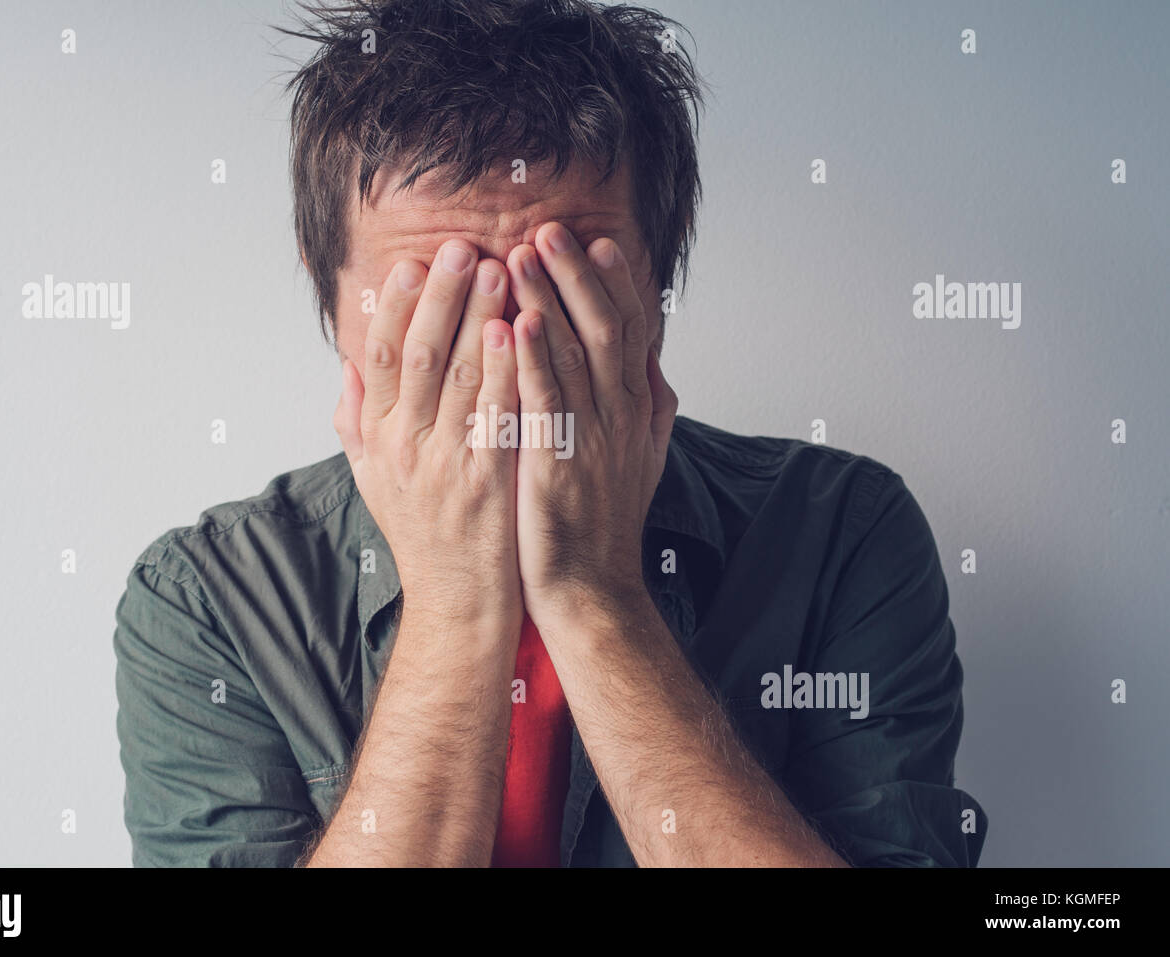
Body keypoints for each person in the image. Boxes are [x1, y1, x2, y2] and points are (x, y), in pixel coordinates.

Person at [113, 0, 986, 867]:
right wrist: (457, 599)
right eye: (441, 302)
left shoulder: (840, 535)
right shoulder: (210, 600)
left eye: (561, 288)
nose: (507, 346)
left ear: (659, 275)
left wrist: (593, 593)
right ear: (331, 293)